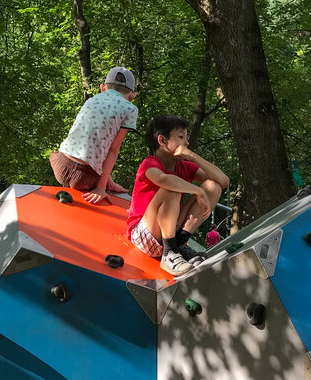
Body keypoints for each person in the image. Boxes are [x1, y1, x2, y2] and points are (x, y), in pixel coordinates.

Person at [126, 114, 229, 276]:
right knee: (170, 186)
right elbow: (163, 179)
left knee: (213, 186)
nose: (186, 143)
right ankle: (169, 254)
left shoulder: (184, 166)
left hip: (170, 231)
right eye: (181, 137)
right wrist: (197, 190)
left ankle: (178, 245)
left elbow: (223, 181)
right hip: (144, 234)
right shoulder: (150, 163)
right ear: (162, 140)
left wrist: (193, 156)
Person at [49, 66, 138, 205]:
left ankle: (108, 182)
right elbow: (113, 150)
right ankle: (103, 184)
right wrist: (100, 188)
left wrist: (109, 181)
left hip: (60, 164)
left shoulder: (92, 100)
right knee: (102, 156)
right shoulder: (130, 108)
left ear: (103, 88)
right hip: (84, 178)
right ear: (132, 96)